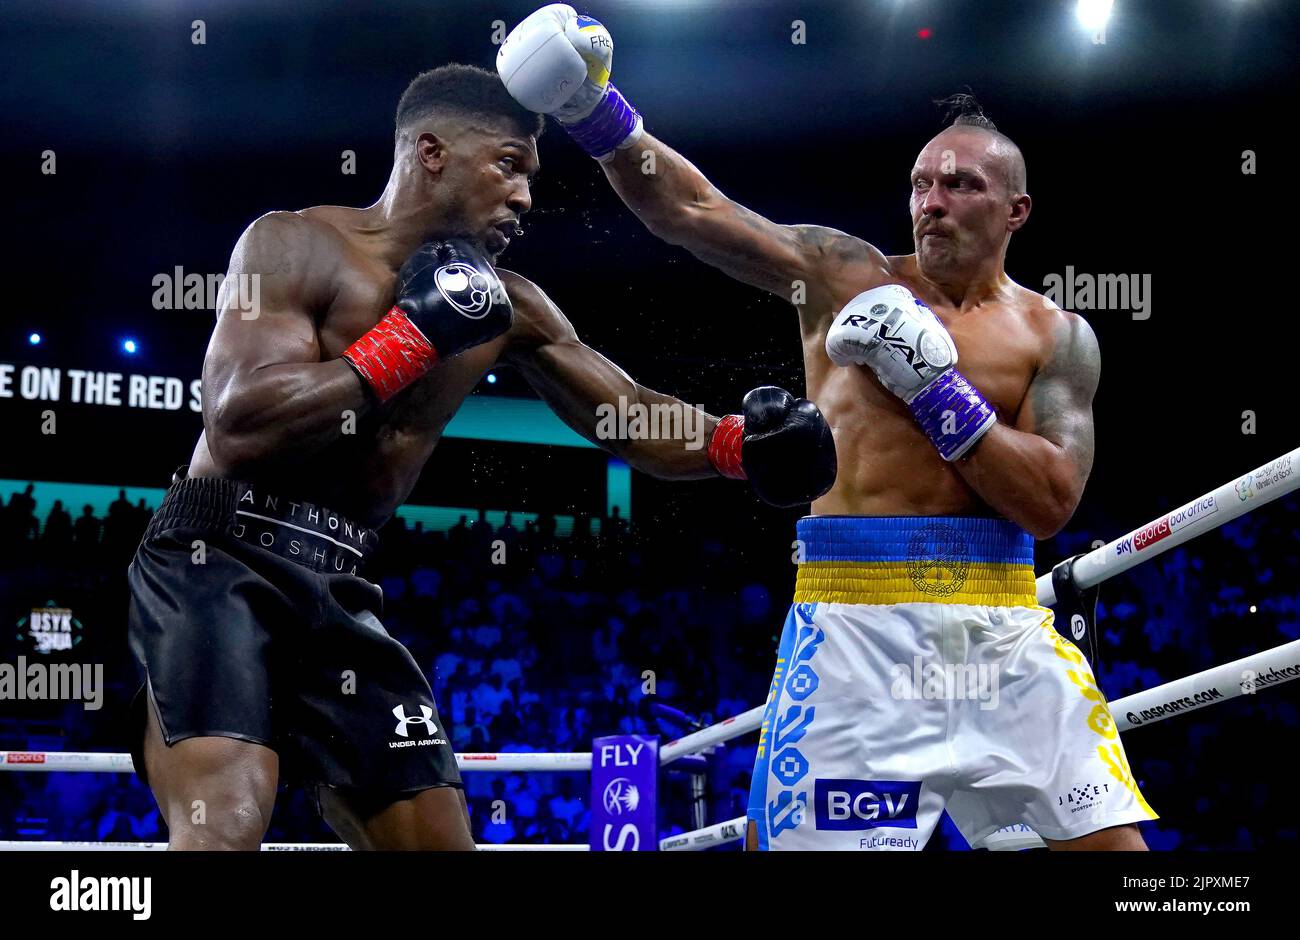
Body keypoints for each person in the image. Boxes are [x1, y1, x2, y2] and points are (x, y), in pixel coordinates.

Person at [127, 63, 836, 851]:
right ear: (431, 152)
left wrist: (739, 445)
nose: (526, 198)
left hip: (339, 580)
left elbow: (628, 413)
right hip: (219, 558)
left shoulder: (510, 303)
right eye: (509, 165)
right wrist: (412, 339)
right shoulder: (294, 243)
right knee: (221, 830)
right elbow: (239, 423)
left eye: (531, 176)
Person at [498, 5, 1154, 850]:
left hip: (1004, 631)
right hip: (856, 631)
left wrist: (933, 390)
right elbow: (693, 212)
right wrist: (594, 110)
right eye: (922, 183)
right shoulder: (846, 276)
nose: (933, 201)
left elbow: (1051, 502)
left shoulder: (1057, 335)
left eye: (962, 185)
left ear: (1017, 211)